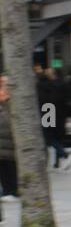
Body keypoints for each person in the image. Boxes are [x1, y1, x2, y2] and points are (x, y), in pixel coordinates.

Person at [0, 74, 17, 202]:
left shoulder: (11, 101)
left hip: (8, 139)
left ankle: (10, 190)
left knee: (9, 166)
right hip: (6, 139)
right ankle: (9, 190)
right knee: (6, 166)